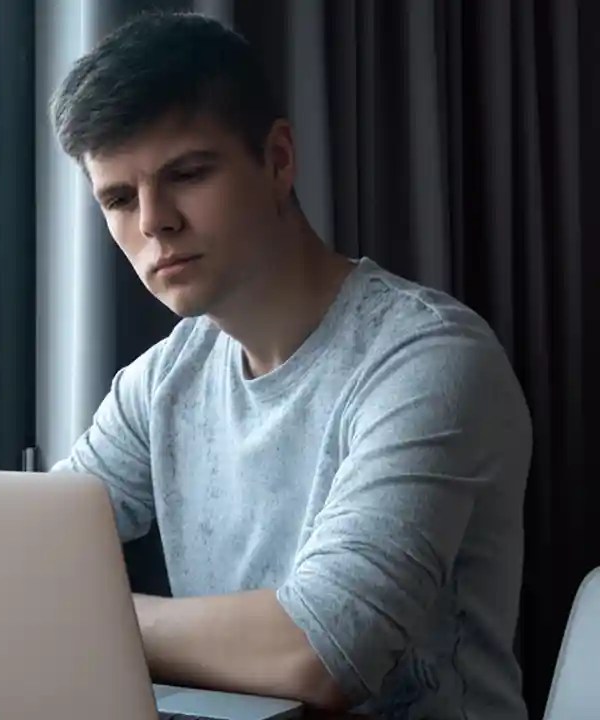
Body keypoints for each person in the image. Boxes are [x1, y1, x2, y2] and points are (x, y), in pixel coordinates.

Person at [48, 10, 532, 719]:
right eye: (119, 198)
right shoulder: (159, 383)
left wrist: (84, 617)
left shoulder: (428, 360)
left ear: (278, 161)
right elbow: (34, 555)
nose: (153, 222)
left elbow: (321, 649)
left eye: (186, 174)